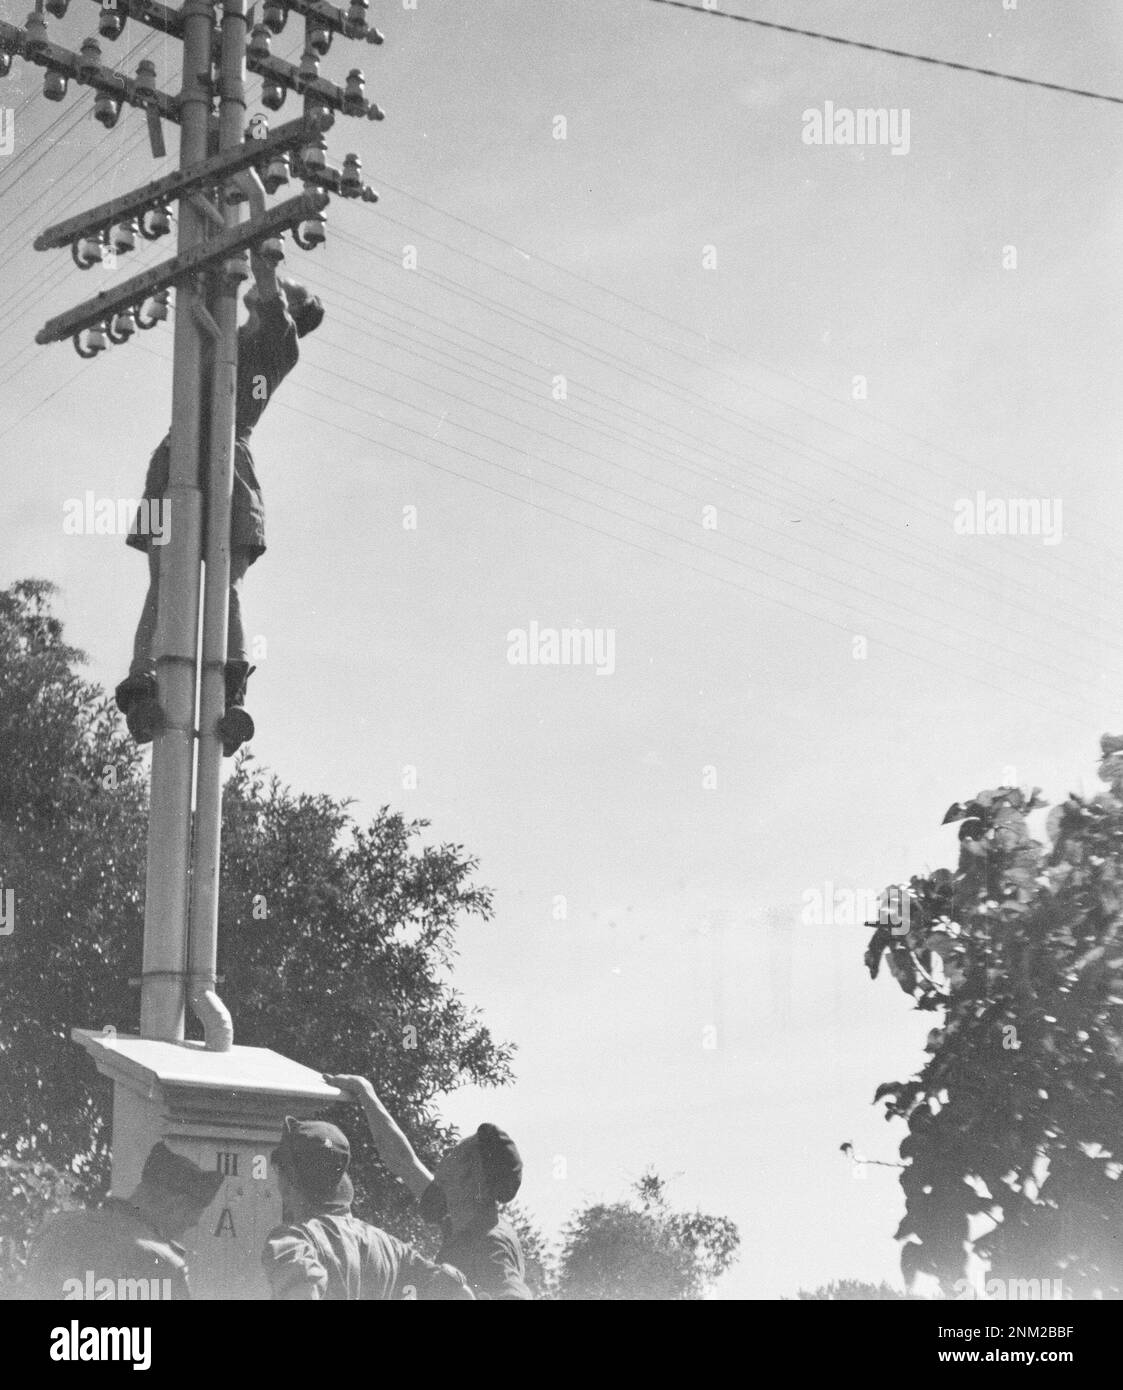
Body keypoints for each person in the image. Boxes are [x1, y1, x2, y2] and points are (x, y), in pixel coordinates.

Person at [115, 251, 324, 755]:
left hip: (227, 461)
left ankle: (229, 691)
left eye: (290, 289)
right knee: (163, 581)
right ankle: (143, 679)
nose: (275, 284)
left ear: (295, 311)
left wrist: (265, 258)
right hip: (175, 456)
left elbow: (272, 300)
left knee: (223, 581)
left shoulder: (280, 344)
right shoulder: (217, 327)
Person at [325, 1074, 532, 1300]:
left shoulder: (490, 1246)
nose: (446, 1154)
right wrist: (366, 1093)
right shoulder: (460, 1211)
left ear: (471, 1176)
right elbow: (402, 1161)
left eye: (456, 1151)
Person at [261, 1116, 474, 1301]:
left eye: (279, 1170)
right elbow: (456, 1290)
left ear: (289, 1181)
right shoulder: (388, 1246)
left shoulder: (294, 1240)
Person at [22, 1141, 223, 1300]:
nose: (191, 1224)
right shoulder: (162, 1263)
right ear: (175, 1205)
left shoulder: (58, 1228)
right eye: (189, 1216)